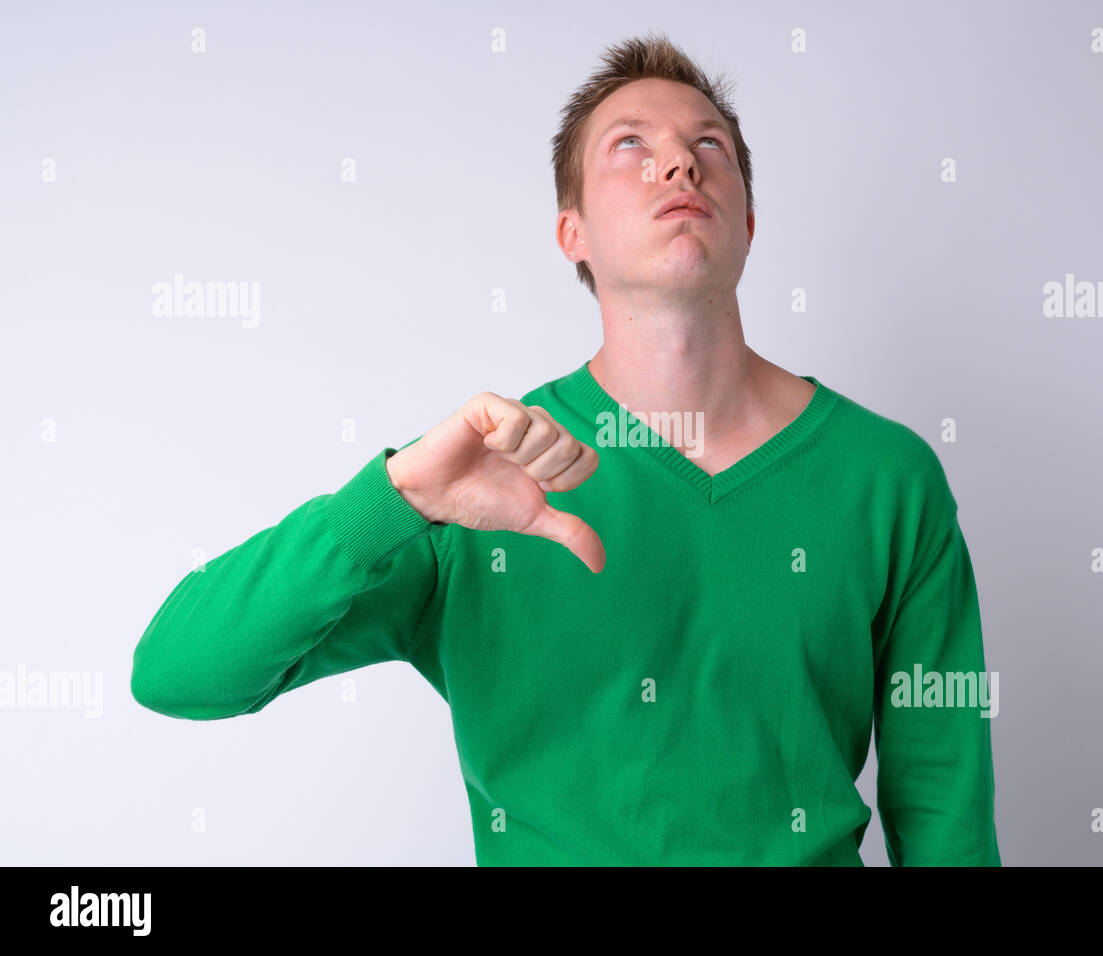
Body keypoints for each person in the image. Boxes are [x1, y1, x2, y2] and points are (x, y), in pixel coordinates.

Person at [132, 32, 1001, 867]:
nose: (679, 162)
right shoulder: (478, 481)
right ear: (572, 233)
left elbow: (946, 819)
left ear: (748, 222)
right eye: (631, 146)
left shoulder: (889, 479)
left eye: (710, 146)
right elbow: (178, 672)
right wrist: (395, 499)